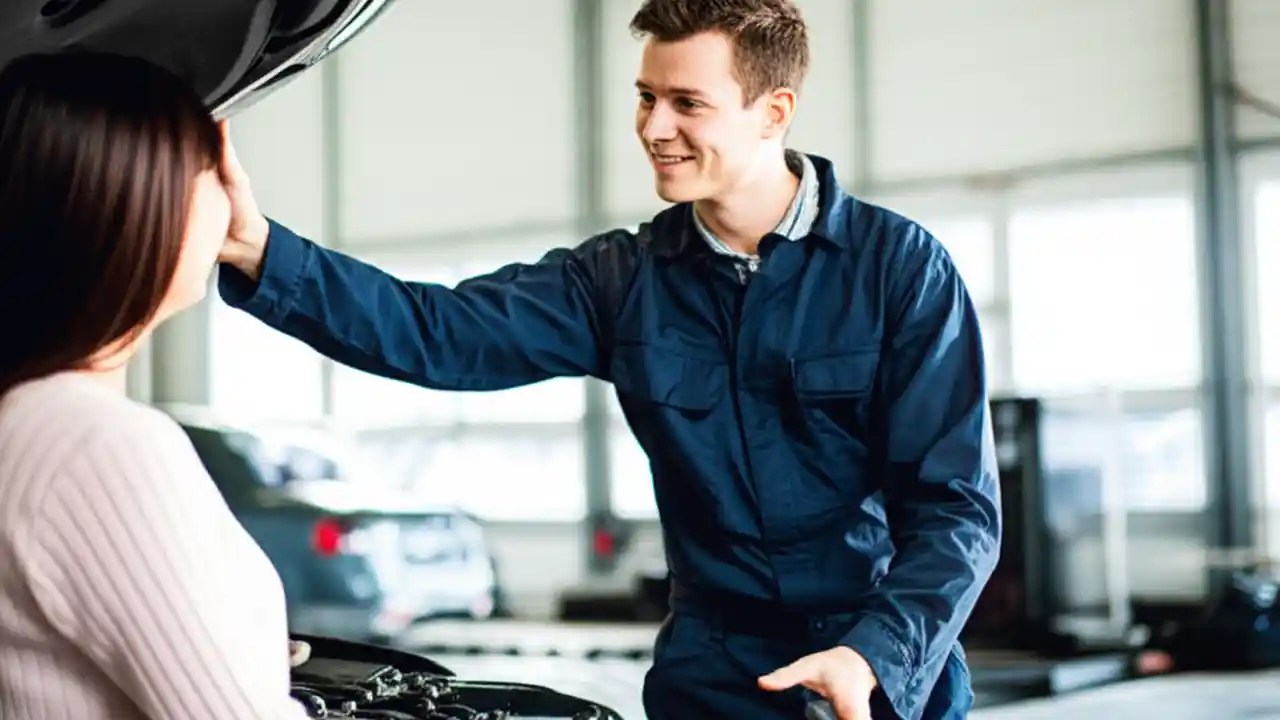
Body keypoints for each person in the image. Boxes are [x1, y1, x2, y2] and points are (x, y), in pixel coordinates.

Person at [217, 0, 1002, 717]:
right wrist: (262, 252)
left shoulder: (896, 269)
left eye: (687, 103)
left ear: (774, 113)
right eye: (646, 96)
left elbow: (957, 510)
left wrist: (873, 656)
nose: (654, 127)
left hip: (883, 669)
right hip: (715, 679)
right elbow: (438, 330)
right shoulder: (622, 282)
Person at [0, 51, 310, 719]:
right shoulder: (96, 445)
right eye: (212, 172)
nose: (233, 199)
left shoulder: (27, 421)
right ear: (140, 205)